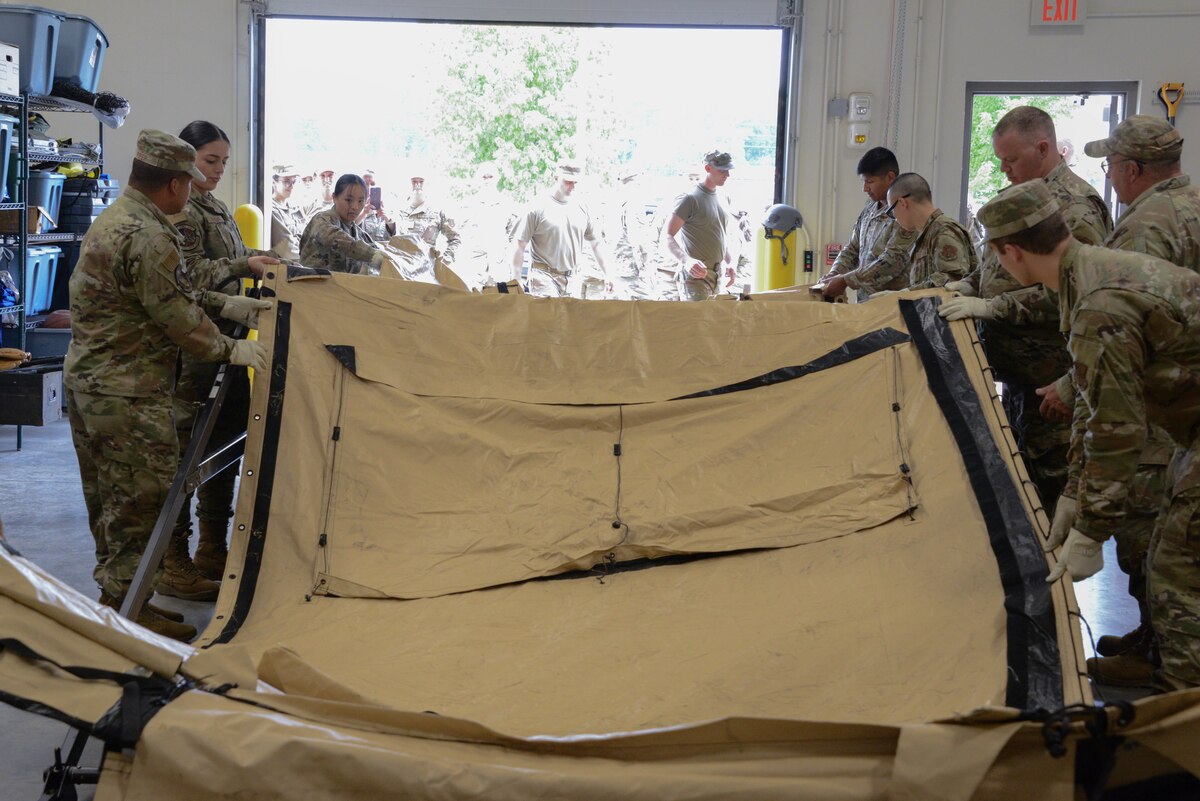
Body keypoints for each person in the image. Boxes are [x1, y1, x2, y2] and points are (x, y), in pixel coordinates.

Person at [974, 179, 1200, 693]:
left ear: (1011, 252)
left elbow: (1117, 426)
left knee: (1178, 574)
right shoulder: (1086, 273)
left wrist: (1093, 528)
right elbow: (1091, 399)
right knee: (1170, 553)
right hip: (1189, 428)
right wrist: (1076, 492)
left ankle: (1182, 723)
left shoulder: (1098, 302)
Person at [65, 129, 270, 641]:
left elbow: (168, 289)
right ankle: (129, 610)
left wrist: (227, 304)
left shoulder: (117, 218)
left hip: (90, 385)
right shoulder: (151, 234)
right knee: (142, 501)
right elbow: (177, 317)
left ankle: (121, 602)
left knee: (111, 501)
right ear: (177, 184)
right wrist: (233, 348)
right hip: (128, 393)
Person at [1043, 115, 1200, 686]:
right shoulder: (1192, 204)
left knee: (1165, 553)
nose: (1108, 176)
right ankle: (1157, 644)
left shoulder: (1144, 228)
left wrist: (1085, 509)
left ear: (1132, 170)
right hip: (1176, 393)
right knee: (1169, 543)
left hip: (1167, 404)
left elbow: (1119, 374)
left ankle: (1177, 697)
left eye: (1110, 165)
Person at [939, 106, 1112, 511]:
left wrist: (991, 307)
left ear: (1043, 148)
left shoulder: (1076, 208)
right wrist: (970, 283)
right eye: (1000, 160)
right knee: (1022, 490)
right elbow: (1000, 264)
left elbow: (1074, 292)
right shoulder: (1020, 198)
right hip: (1018, 377)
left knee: (1049, 493)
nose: (1004, 170)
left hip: (1053, 379)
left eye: (1011, 160)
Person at [168, 120, 280, 592]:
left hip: (229, 341)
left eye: (222, 163)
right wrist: (242, 265)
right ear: (185, 157)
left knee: (227, 442)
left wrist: (264, 256)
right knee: (185, 453)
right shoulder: (178, 209)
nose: (216, 171)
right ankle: (173, 563)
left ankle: (212, 549)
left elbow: (229, 255)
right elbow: (190, 274)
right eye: (209, 161)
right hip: (196, 348)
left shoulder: (212, 204)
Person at [819, 147, 916, 300]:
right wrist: (835, 273)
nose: (865, 188)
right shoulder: (870, 210)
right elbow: (852, 249)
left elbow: (891, 263)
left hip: (894, 307)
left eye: (870, 182)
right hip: (866, 305)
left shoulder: (904, 214)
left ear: (890, 177)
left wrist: (845, 280)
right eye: (864, 182)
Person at [510, 161, 608, 297]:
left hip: (572, 278)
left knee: (570, 318)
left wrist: (609, 275)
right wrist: (517, 280)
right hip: (543, 277)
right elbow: (519, 245)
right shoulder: (537, 206)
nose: (572, 186)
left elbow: (596, 243)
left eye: (576, 182)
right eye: (568, 181)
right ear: (556, 178)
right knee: (548, 317)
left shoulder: (582, 207)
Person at [881, 172, 975, 290]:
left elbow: (952, 281)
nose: (894, 218)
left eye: (892, 212)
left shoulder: (944, 230)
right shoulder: (927, 234)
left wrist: (907, 294)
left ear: (902, 203)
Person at [664, 150, 736, 301]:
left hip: (717, 276)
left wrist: (730, 262)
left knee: (715, 323)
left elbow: (719, 236)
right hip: (695, 278)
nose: (727, 175)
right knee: (697, 323)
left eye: (728, 170)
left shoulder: (724, 198)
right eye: (722, 170)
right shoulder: (690, 199)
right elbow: (667, 236)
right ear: (708, 168)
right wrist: (686, 260)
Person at [299, 173, 388, 275]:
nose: (355, 206)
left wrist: (387, 257)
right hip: (312, 286)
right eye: (349, 200)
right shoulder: (321, 221)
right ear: (334, 198)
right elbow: (337, 239)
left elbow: (375, 249)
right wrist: (373, 255)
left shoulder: (356, 231)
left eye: (360, 201)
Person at [394, 168, 461, 265]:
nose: (417, 185)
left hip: (426, 268)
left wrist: (445, 261)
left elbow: (455, 238)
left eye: (421, 181)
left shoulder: (437, 211)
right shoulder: (397, 209)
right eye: (414, 181)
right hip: (400, 266)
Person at [269, 164, 306, 259]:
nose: (291, 186)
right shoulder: (272, 210)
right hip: (290, 264)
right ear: (274, 182)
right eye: (286, 181)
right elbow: (286, 249)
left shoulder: (296, 208)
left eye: (293, 182)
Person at [357, 168, 396, 242]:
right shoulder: (354, 208)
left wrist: (387, 218)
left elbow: (397, 236)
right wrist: (363, 214)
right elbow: (348, 230)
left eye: (372, 185)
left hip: (384, 252)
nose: (369, 188)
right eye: (365, 184)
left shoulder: (390, 209)